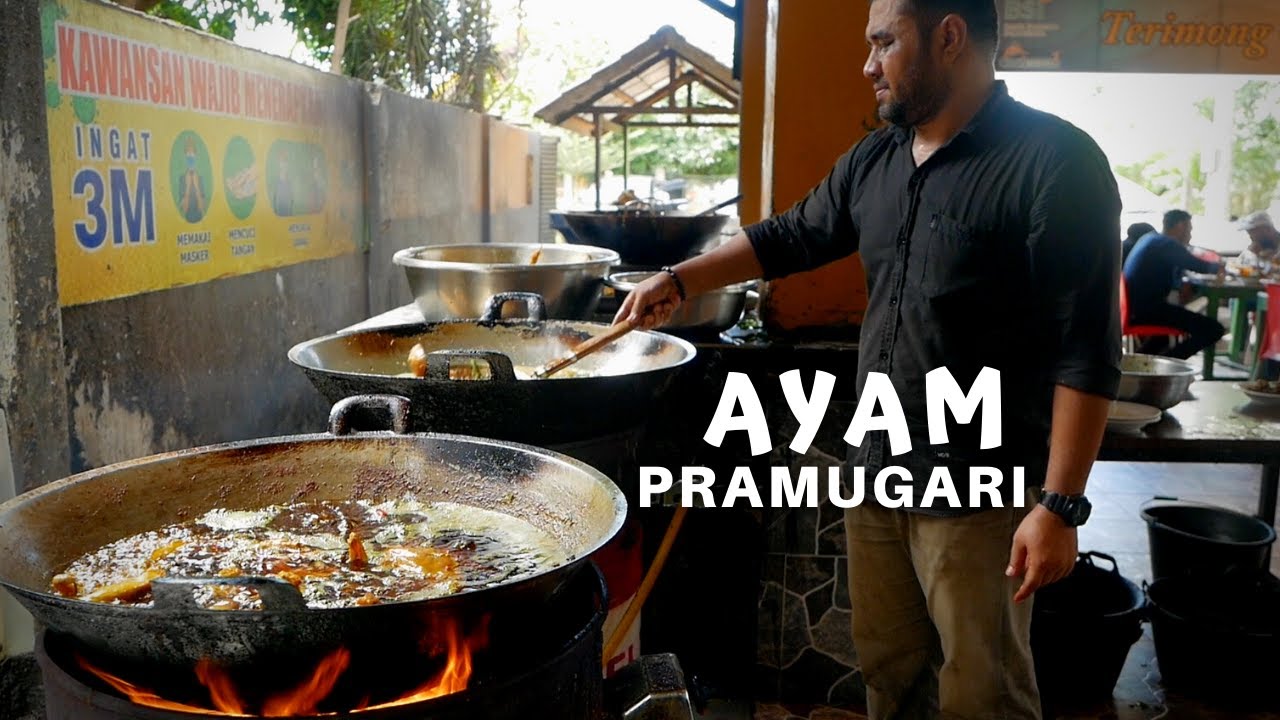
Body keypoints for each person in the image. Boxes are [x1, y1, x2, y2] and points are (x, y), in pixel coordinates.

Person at [617, 1, 1120, 717]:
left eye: (884, 43)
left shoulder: (1055, 162)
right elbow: (791, 236)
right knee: (889, 672)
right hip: (878, 472)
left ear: (948, 37)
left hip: (979, 489)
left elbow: (1088, 349)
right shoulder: (878, 157)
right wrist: (677, 280)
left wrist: (1061, 506)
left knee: (984, 692)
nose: (867, 65)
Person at [1123, 209, 1225, 360]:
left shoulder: (1151, 238)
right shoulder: (1166, 244)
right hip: (1147, 310)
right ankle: (1170, 367)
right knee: (1213, 330)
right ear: (1180, 226)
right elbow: (1200, 266)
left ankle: (1138, 364)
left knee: (1161, 339)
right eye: (1189, 229)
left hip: (1135, 309)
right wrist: (1221, 265)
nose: (1190, 235)